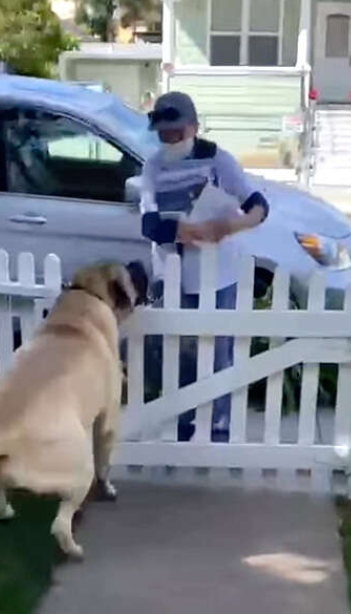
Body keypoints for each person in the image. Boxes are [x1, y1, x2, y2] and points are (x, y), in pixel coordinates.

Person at [140, 91, 269, 443]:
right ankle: (183, 429)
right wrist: (181, 231)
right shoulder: (153, 166)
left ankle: (219, 430)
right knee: (181, 353)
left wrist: (231, 226)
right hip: (175, 270)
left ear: (194, 127)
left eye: (177, 133)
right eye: (163, 134)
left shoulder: (218, 161)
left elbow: (258, 205)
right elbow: (148, 223)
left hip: (219, 270)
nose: (170, 139)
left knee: (219, 352)